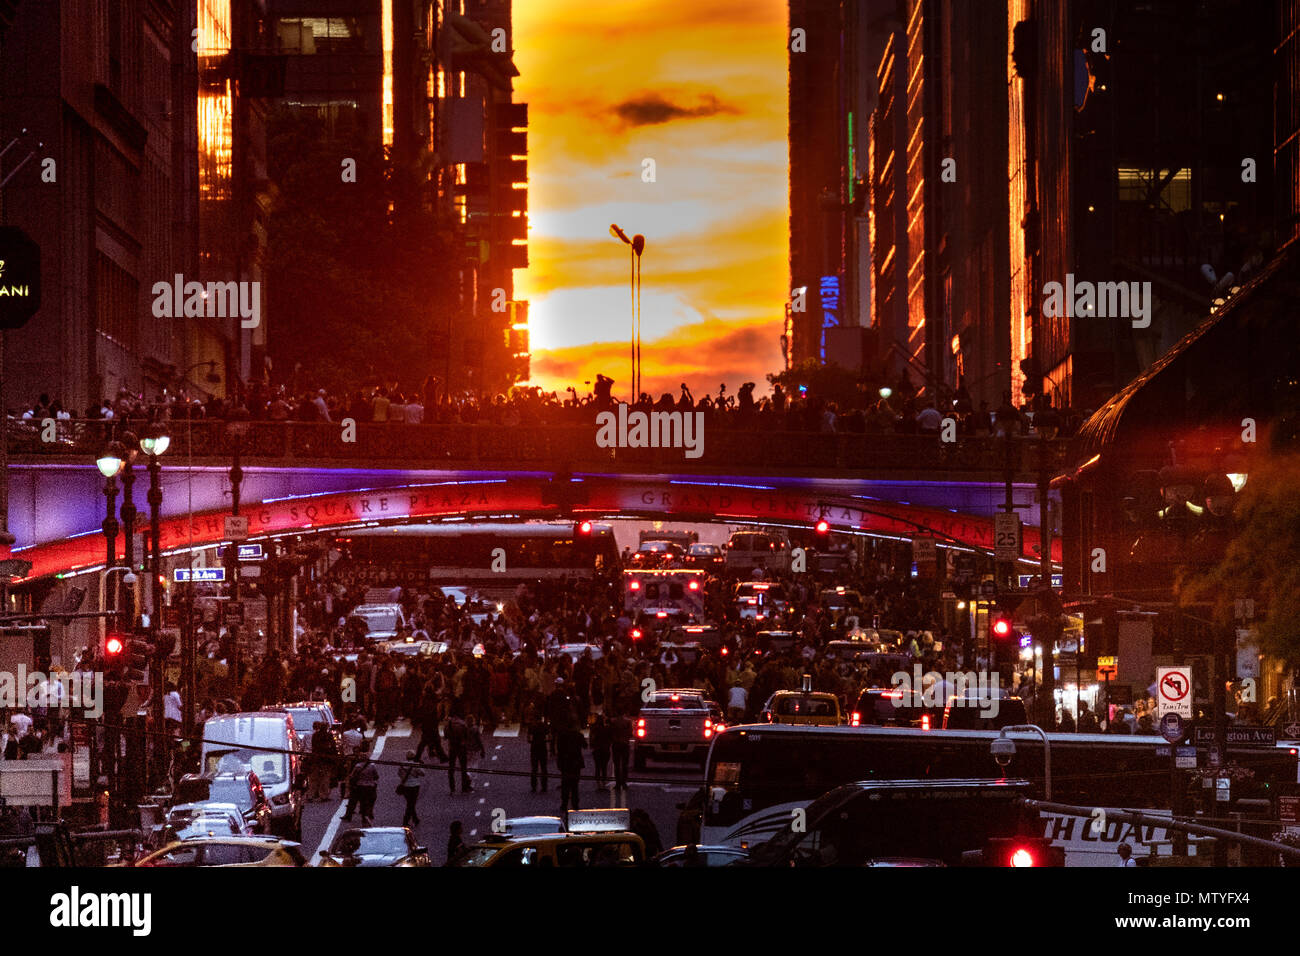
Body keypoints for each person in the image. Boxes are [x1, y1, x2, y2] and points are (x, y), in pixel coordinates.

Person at [343, 742, 379, 826]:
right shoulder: (372, 766)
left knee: (355, 801)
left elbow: (352, 775)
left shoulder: (358, 766)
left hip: (359, 786)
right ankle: (367, 816)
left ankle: (350, 815)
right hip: (370, 786)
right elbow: (376, 776)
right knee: (368, 801)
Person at [556, 725, 585, 815]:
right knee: (575, 784)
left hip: (565, 762)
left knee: (565, 784)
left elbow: (559, 749)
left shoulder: (562, 736)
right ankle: (575, 803)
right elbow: (585, 745)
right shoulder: (578, 735)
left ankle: (564, 803)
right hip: (576, 762)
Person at [444, 705, 472, 794]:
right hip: (461, 747)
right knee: (463, 768)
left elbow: (445, 736)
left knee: (451, 768)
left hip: (452, 747)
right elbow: (467, 737)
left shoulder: (448, 724)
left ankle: (452, 788)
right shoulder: (463, 724)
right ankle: (464, 787)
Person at [308, 720, 338, 802]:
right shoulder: (329, 736)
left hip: (316, 759)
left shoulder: (315, 735)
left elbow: (313, 747)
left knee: (314, 778)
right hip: (326, 759)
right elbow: (333, 747)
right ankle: (323, 795)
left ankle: (312, 794)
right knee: (325, 778)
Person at [396, 751, 423, 827]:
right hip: (415, 786)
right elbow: (423, 773)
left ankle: (415, 819)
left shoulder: (402, 765)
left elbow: (399, 774)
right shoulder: (416, 765)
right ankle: (406, 821)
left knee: (410, 803)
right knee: (411, 804)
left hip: (405, 786)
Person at [527, 704, 549, 793]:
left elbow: (529, 739)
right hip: (543, 747)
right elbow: (549, 737)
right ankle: (544, 786)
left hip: (534, 748)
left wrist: (532, 741)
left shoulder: (531, 726)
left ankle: (534, 786)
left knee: (534, 768)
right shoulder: (544, 726)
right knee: (544, 768)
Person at [610, 709, 632, 793]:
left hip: (616, 744)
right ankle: (624, 782)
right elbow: (630, 733)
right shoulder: (628, 722)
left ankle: (618, 783)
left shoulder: (613, 721)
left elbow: (611, 732)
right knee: (624, 765)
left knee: (616, 765)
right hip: (625, 744)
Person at [589, 713, 612, 791]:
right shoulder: (607, 729)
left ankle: (599, 784)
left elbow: (591, 739)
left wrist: (593, 745)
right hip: (605, 750)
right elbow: (610, 739)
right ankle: (604, 783)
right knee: (604, 767)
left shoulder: (594, 729)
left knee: (598, 767)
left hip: (597, 750)